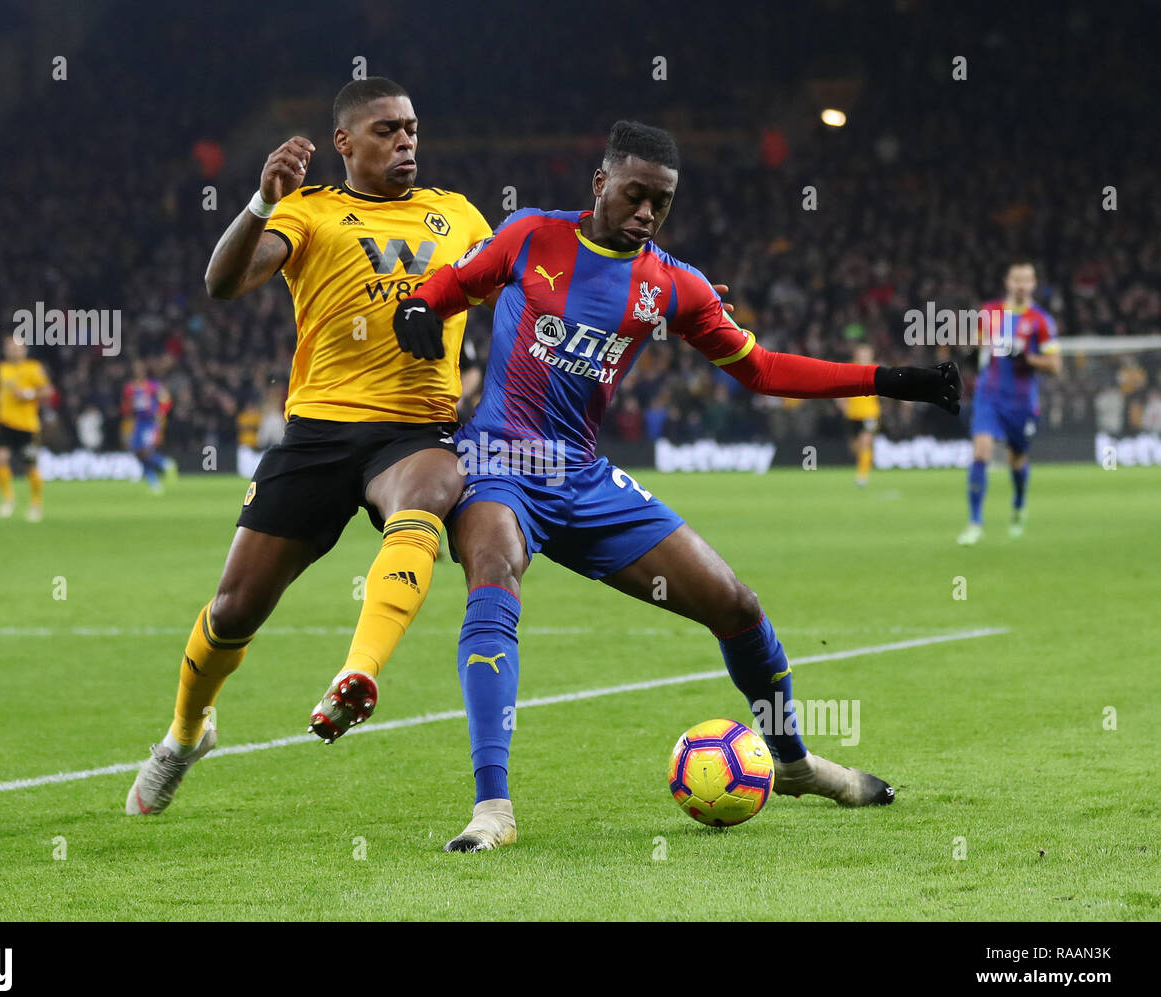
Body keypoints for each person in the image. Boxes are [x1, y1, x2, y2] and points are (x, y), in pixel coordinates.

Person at [391, 121, 960, 850]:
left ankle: (789, 760)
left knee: (737, 604)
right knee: (495, 572)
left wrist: (890, 379)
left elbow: (761, 368)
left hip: (585, 479)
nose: (646, 214)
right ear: (600, 184)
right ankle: (492, 808)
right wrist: (418, 307)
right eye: (634, 195)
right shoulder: (531, 236)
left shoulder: (672, 285)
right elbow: (451, 286)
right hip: (499, 464)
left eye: (660, 203)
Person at [125, 77, 491, 815]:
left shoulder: (457, 216)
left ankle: (357, 674)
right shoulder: (311, 210)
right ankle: (186, 733)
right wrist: (262, 199)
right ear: (345, 143)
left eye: (413, 128)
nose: (406, 141)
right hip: (319, 431)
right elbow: (224, 282)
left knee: (422, 495)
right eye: (387, 130)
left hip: (415, 426)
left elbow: (520, 290)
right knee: (233, 611)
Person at [957, 262, 1061, 544]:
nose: (1021, 285)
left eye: (1026, 280)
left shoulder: (1041, 320)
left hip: (1022, 402)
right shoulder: (989, 313)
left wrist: (1025, 357)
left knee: (1017, 459)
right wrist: (966, 346)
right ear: (1007, 282)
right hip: (988, 395)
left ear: (1033, 284)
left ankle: (1018, 505)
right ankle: (975, 522)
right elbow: (975, 343)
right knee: (981, 452)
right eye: (1016, 279)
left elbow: (1055, 365)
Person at [0, 336, 52, 522]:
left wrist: (27, 393)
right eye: (11, 348)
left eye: (18, 348)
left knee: (30, 466)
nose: (14, 351)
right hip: (5, 423)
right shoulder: (2, 369)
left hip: (27, 425)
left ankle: (36, 503)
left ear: (24, 350)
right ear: (5, 351)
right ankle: (8, 499)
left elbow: (47, 391)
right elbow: (4, 394)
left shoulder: (33, 368)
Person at [121, 360, 175, 492]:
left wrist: (161, 413)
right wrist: (128, 418)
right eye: (135, 369)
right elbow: (127, 407)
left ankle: (166, 463)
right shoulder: (129, 388)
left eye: (139, 369)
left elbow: (166, 399)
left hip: (151, 422)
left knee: (146, 451)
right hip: (139, 422)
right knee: (137, 452)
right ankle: (154, 483)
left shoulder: (152, 385)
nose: (137, 371)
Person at [838, 344, 881, 486]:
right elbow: (837, 387)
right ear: (856, 355)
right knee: (855, 447)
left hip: (870, 414)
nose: (865, 356)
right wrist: (842, 402)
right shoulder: (849, 369)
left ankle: (862, 477)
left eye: (867, 354)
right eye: (862, 354)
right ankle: (867, 461)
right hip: (852, 415)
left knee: (865, 442)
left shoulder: (876, 370)